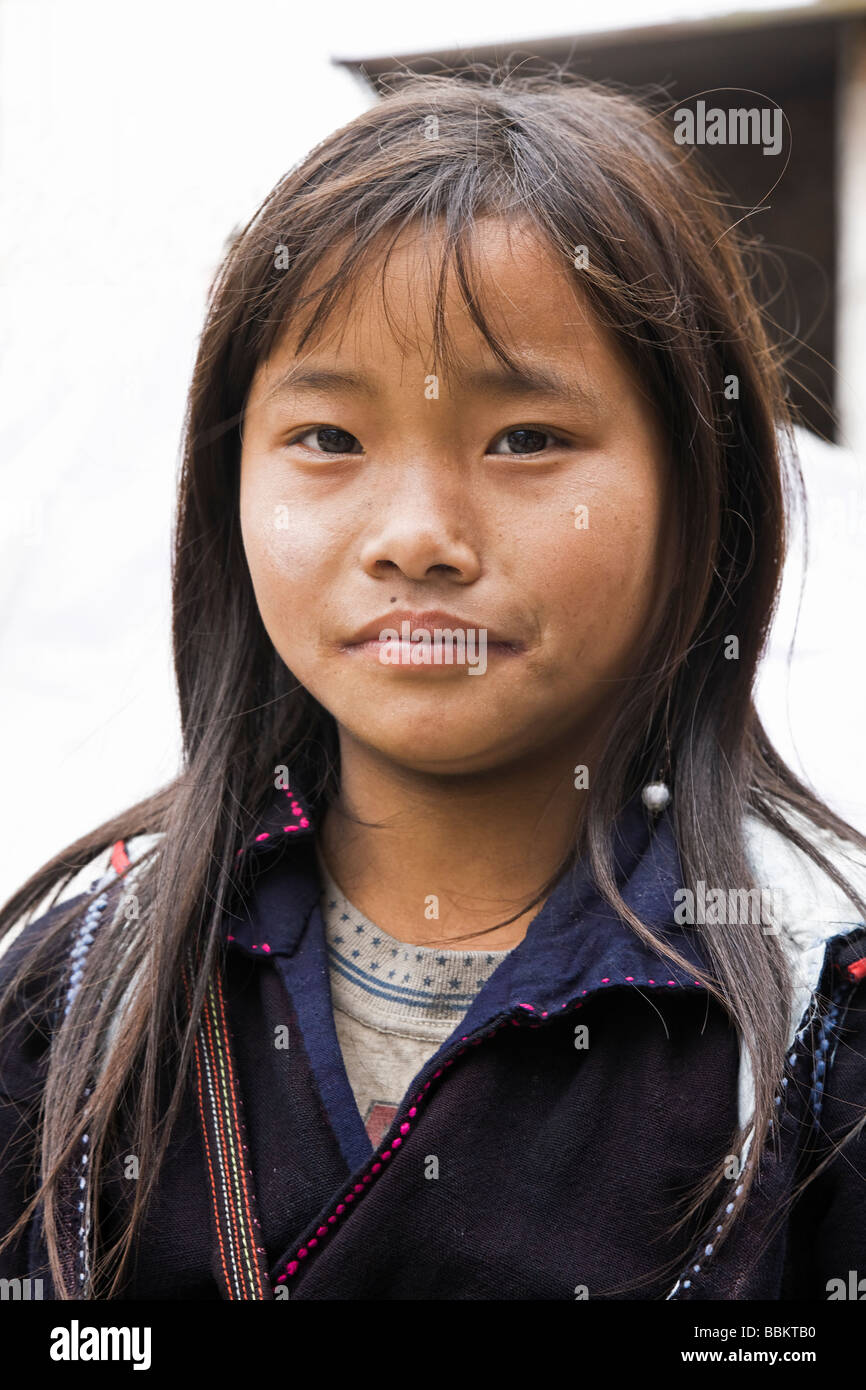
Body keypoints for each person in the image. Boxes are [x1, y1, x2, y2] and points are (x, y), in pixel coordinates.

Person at [1, 69, 865, 1302]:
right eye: (328, 440)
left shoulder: (818, 1024)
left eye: (524, 440)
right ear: (225, 489)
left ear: (700, 497)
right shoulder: (74, 999)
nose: (415, 536)